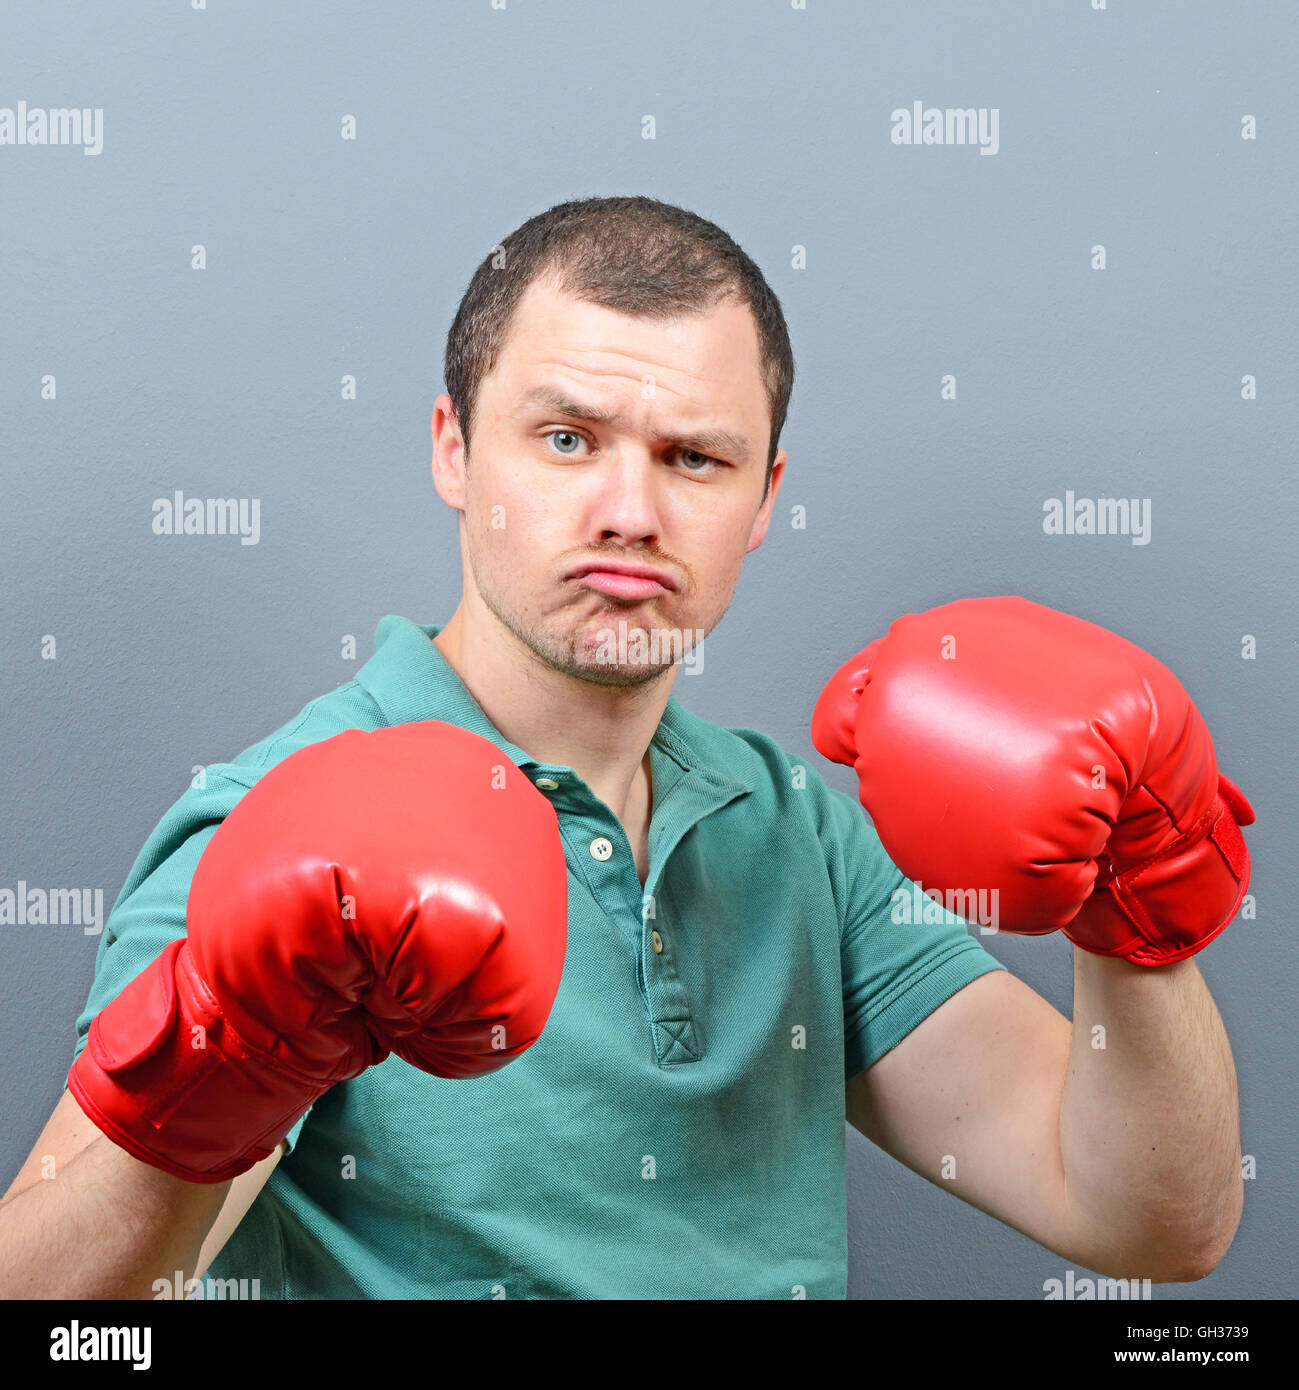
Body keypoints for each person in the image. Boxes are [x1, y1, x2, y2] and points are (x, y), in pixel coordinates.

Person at [0, 195, 1250, 1299]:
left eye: (694, 458)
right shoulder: (279, 818)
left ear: (762, 499)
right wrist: (233, 1048)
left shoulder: (799, 830)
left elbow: (1143, 1220)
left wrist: (1138, 903)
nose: (631, 512)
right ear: (454, 448)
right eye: (566, 439)